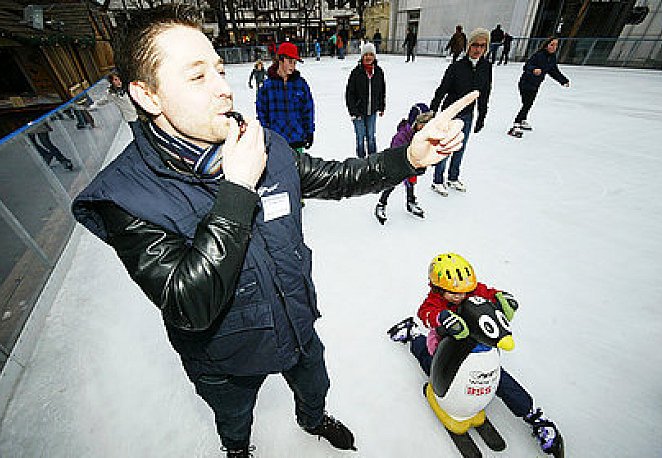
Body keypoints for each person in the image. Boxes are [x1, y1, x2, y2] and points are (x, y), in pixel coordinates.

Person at [70, 5, 478, 457]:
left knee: (315, 385)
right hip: (224, 358)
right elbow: (190, 304)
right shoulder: (125, 198)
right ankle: (238, 450)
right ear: (148, 96)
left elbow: (339, 177)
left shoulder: (258, 142)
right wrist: (238, 188)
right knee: (234, 418)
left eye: (220, 71)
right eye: (197, 76)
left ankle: (313, 418)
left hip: (295, 322)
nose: (224, 89)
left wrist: (410, 158)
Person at [387, 252, 564, 457]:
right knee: (433, 367)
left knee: (500, 380)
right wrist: (441, 317)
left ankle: (535, 418)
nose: (461, 296)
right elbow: (425, 312)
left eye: (465, 291)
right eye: (453, 293)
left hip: (478, 352)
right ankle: (412, 334)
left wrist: (501, 298)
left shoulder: (472, 290)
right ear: (438, 289)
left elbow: (489, 294)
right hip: (446, 348)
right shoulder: (434, 300)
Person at [429, 28, 492, 196]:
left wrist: (482, 116)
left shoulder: (486, 67)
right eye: (475, 45)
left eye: (482, 46)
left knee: (460, 148)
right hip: (450, 114)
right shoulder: (456, 67)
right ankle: (437, 180)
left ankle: (453, 177)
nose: (478, 49)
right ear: (469, 46)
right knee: (445, 148)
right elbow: (442, 89)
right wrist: (433, 109)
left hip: (468, 115)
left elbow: (485, 93)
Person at [374, 103, 433, 224]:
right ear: (414, 123)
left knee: (411, 182)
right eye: (422, 123)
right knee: (392, 184)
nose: (424, 126)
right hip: (397, 165)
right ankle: (381, 204)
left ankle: (410, 202)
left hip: (412, 165)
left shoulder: (422, 135)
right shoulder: (401, 136)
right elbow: (395, 153)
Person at [256, 42, 315, 153]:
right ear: (281, 60)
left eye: (295, 62)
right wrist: (266, 135)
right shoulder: (267, 86)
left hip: (297, 139)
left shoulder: (300, 84)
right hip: (276, 142)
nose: (293, 66)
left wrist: (309, 131)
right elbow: (262, 113)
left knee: (298, 170)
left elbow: (308, 109)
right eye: (290, 62)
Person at [511, 37, 570, 133]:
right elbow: (527, 66)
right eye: (552, 44)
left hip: (536, 84)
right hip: (526, 83)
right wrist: (533, 69)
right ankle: (517, 123)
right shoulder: (539, 55)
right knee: (527, 104)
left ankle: (522, 120)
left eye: (556, 45)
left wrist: (563, 80)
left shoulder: (552, 58)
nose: (554, 47)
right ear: (547, 45)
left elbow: (554, 71)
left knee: (528, 104)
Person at [345, 42, 385, 158]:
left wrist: (381, 106)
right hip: (358, 112)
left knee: (371, 137)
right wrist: (353, 111)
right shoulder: (356, 73)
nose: (368, 57)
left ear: (374, 56)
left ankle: (373, 162)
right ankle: (361, 164)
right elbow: (349, 94)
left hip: (372, 111)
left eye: (371, 55)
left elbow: (382, 90)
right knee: (360, 138)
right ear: (362, 56)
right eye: (366, 55)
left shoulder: (378, 72)